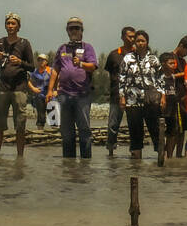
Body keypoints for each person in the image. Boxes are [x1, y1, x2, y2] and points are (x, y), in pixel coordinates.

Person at [48, 17, 98, 159]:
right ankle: (68, 166)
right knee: (67, 132)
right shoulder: (62, 49)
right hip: (64, 94)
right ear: (67, 31)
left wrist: (81, 64)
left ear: (82, 30)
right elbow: (55, 70)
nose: (74, 31)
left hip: (82, 95)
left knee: (84, 130)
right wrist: (50, 90)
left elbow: (93, 66)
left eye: (77, 28)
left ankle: (85, 163)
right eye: (72, 28)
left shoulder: (87, 47)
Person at [0, 12, 35, 157]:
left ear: (18, 26)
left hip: (19, 89)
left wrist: (20, 62)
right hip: (3, 89)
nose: (10, 26)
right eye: (8, 23)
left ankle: (20, 157)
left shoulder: (24, 43)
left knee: (20, 125)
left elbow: (32, 67)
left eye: (13, 23)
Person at [119, 29, 165, 163]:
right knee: (135, 132)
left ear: (147, 42)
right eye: (138, 40)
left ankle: (161, 159)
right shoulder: (128, 58)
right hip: (133, 101)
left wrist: (163, 97)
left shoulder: (154, 59)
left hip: (151, 101)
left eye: (143, 41)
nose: (140, 43)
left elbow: (161, 79)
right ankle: (136, 164)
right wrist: (122, 97)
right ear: (134, 42)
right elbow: (122, 78)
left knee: (155, 129)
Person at [102, 26, 135, 157]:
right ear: (122, 37)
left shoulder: (137, 54)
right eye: (129, 36)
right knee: (113, 124)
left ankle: (134, 150)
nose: (132, 39)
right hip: (117, 94)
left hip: (134, 95)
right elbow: (110, 73)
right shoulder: (114, 54)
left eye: (134, 36)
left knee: (134, 124)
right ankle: (111, 151)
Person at [160, 52, 187, 158]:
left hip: (173, 109)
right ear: (163, 64)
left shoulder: (172, 78)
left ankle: (169, 156)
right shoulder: (159, 78)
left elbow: (179, 76)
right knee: (162, 133)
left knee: (173, 132)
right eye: (170, 63)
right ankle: (162, 154)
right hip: (162, 110)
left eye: (174, 63)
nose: (174, 66)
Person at [28, 54, 53, 128]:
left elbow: (59, 79)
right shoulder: (35, 71)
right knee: (40, 116)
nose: (41, 61)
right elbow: (26, 79)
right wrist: (33, 88)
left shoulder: (50, 70)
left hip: (51, 96)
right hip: (39, 96)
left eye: (43, 60)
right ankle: (40, 132)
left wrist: (56, 90)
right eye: (39, 60)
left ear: (47, 61)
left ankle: (55, 133)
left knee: (53, 116)